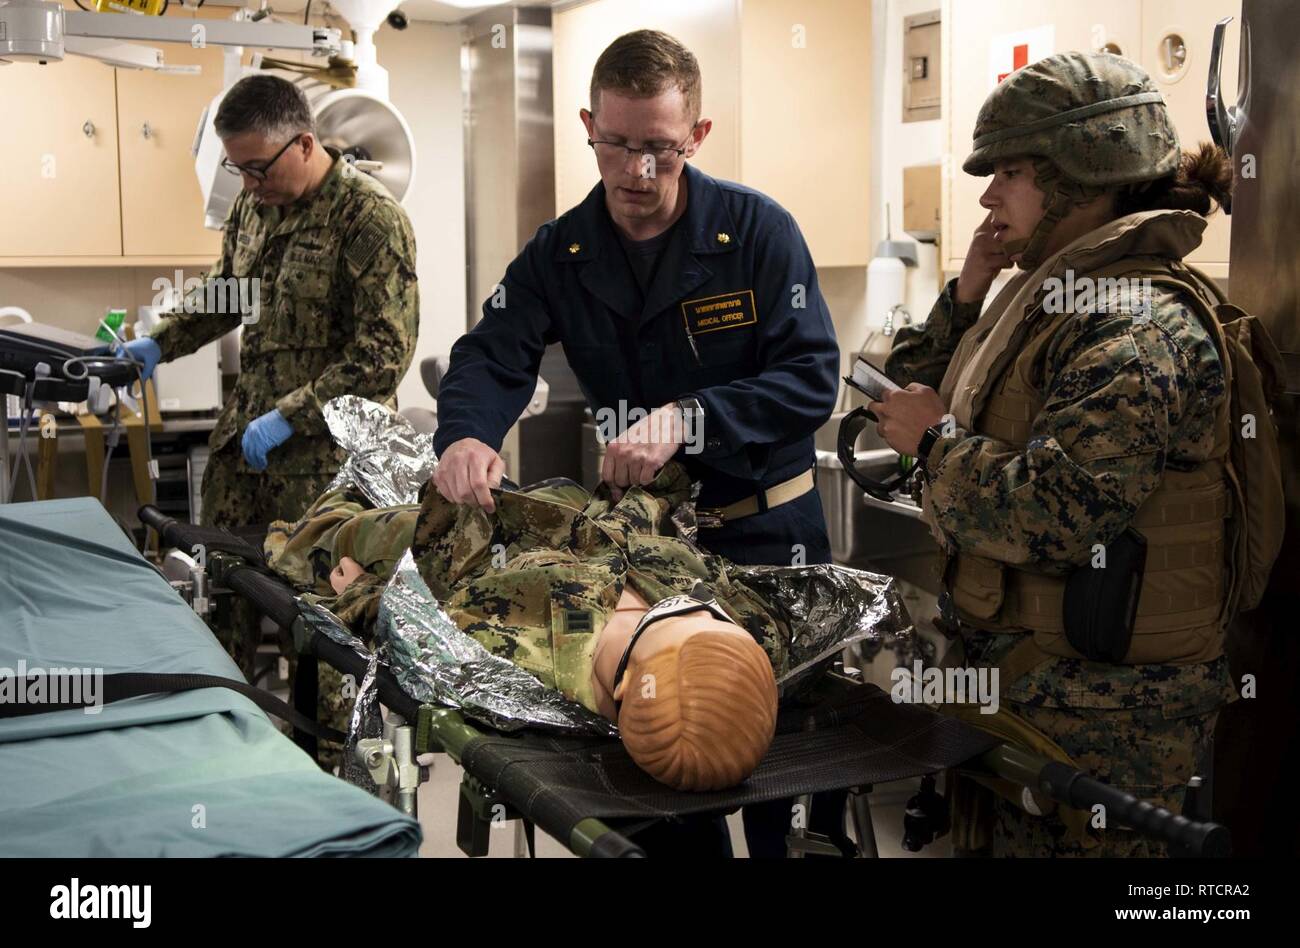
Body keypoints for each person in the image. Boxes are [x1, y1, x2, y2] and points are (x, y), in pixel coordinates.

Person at [429, 28, 842, 856]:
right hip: (649, 556)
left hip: (767, 537)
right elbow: (492, 352)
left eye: (658, 147)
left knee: (789, 782)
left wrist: (691, 417)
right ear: (588, 124)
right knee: (663, 776)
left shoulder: (758, 233)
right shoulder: (563, 249)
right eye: (614, 144)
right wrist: (467, 436)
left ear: (697, 136)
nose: (636, 171)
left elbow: (810, 379)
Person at [872, 51, 1238, 856]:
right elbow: (900, 399)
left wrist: (936, 445)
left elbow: (1054, 514)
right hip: (1029, 696)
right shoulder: (1048, 302)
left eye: (1010, 171)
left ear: (1081, 175)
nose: (988, 194)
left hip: (1107, 724)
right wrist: (967, 291)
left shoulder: (1135, 328)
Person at [113, 74, 420, 767]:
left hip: (327, 467)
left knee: (321, 626)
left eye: (258, 167)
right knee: (221, 596)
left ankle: (324, 783)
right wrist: (162, 341)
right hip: (247, 453)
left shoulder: (369, 220)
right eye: (237, 168)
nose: (248, 184)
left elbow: (384, 353)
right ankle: (218, 753)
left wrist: (292, 414)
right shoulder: (254, 212)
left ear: (304, 142)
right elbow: (228, 293)